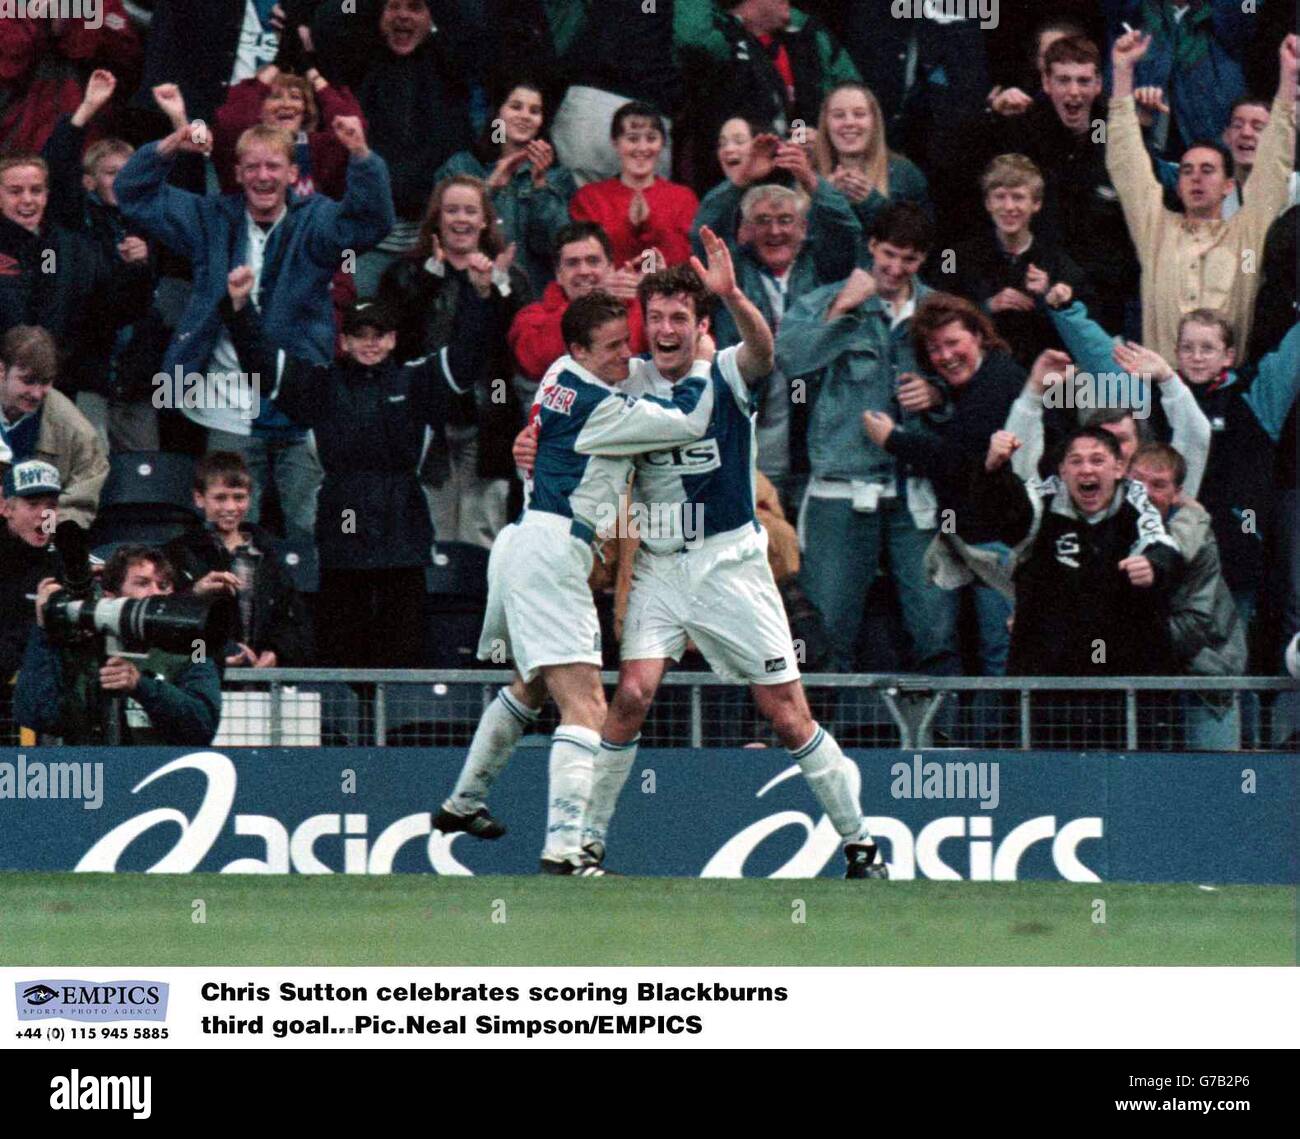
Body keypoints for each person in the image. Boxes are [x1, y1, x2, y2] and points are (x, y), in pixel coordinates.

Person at [582, 248, 890, 879]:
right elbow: (568, 395)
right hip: (660, 565)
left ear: (700, 326)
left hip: (731, 565)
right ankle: (583, 846)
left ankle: (860, 844)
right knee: (633, 693)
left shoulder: (725, 368)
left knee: (785, 713)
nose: (666, 329)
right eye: (656, 317)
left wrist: (733, 297)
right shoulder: (628, 381)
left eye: (679, 318)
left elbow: (766, 353)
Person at [436, 290, 717, 875]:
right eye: (613, 348)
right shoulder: (601, 408)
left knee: (532, 684)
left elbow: (586, 407)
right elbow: (689, 418)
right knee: (587, 704)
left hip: (524, 542)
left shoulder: (560, 373)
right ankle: (565, 850)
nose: (626, 356)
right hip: (554, 552)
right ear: (579, 350)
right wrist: (705, 361)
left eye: (628, 343)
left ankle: (463, 802)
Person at [115, 112, 395, 541]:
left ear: (292, 172)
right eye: (253, 167)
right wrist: (172, 143)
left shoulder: (315, 220)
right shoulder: (211, 218)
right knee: (230, 531)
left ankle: (305, 607)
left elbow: (373, 222)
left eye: (273, 166)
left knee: (310, 528)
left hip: (300, 401)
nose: (263, 176)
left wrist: (360, 154)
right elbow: (131, 193)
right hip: (227, 406)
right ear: (238, 173)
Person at [223, 270, 470, 669]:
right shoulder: (320, 385)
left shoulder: (419, 381)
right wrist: (239, 310)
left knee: (404, 646)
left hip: (403, 533)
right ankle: (343, 729)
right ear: (344, 341)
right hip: (344, 532)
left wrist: (483, 294)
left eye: (379, 334)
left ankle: (401, 732)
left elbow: (469, 354)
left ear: (392, 339)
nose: (370, 343)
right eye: (360, 334)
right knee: (342, 644)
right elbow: (262, 362)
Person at [775, 203, 958, 678]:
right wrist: (842, 309)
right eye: (889, 255)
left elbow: (979, 387)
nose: (896, 269)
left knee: (936, 629)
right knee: (826, 630)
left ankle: (938, 744)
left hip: (916, 490)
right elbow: (789, 358)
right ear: (872, 247)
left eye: (910, 260)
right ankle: (816, 748)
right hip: (840, 486)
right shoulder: (830, 298)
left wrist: (938, 396)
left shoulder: (939, 312)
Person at [862, 295, 1054, 689]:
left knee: (1002, 652)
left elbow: (962, 458)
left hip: (1005, 545)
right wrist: (937, 397)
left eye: (953, 343)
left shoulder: (1001, 379)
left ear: (980, 337)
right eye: (934, 348)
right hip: (972, 541)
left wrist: (893, 440)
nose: (946, 356)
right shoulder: (973, 383)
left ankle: (1006, 749)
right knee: (978, 646)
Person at [1107, 30, 1297, 364]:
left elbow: (1274, 164)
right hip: (1161, 390)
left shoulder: (1246, 233)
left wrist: (1289, 77)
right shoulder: (1156, 231)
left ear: (1228, 185)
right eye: (1186, 170)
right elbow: (1127, 167)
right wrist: (1122, 73)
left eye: (1208, 170)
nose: (1195, 177)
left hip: (1228, 394)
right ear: (1177, 185)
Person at [379, 174, 530, 548]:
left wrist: (496, 289)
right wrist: (428, 281)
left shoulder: (510, 276)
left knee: (484, 535)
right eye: (451, 210)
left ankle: (480, 607)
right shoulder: (404, 274)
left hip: (488, 422)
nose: (460, 219)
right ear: (437, 218)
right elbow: (394, 346)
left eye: (469, 211)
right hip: (429, 425)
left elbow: (519, 347)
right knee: (434, 536)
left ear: (484, 220)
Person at [965, 35, 1140, 337]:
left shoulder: (1116, 134)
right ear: (1046, 82)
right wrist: (990, 117)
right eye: (1063, 80)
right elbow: (957, 176)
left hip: (1100, 304)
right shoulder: (1020, 127)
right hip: (1030, 298)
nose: (1074, 91)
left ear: (1099, 84)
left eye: (1084, 81)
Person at [40, 68, 160, 454]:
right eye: (111, 174)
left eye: (129, 174)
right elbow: (57, 169)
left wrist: (143, 264)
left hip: (137, 378)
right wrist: (86, 110)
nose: (122, 182)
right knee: (91, 465)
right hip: (88, 374)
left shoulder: (149, 222)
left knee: (147, 474)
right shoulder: (74, 221)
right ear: (90, 181)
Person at [16, 545, 221, 746]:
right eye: (143, 583)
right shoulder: (81, 646)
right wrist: (44, 631)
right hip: (92, 772)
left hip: (161, 771)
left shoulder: (196, 645)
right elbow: (35, 715)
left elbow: (203, 724)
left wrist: (141, 685)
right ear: (111, 595)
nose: (156, 593)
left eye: (164, 585)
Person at [0, 149, 152, 405]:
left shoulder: (73, 248)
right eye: (15, 191)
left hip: (63, 389)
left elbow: (114, 313)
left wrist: (135, 269)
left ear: (47, 195)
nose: (27, 200)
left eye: (36, 190)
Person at [1128, 442, 1247, 750]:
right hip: (1142, 685)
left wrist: (1124, 644)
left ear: (1176, 493)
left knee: (1213, 787)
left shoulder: (1197, 537)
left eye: (1158, 485)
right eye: (1136, 481)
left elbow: (1194, 624)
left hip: (1207, 676)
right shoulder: (1111, 530)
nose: (1145, 492)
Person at [350, 0, 472, 294]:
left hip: (427, 239)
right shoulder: (358, 58)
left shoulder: (450, 68)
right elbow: (339, 13)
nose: (403, 16)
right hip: (365, 239)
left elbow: (470, 23)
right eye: (394, 7)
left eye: (415, 7)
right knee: (360, 323)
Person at [166, 451, 314, 671]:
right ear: (199, 498)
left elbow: (292, 619)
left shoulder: (268, 555)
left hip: (257, 682)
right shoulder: (178, 552)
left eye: (239, 497)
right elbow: (164, 617)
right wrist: (194, 593)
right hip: (201, 676)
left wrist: (275, 651)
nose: (230, 508)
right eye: (220, 498)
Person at [943, 153, 1088, 366]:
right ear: (988, 203)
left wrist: (1049, 298)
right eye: (1000, 197)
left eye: (1018, 197)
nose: (1009, 207)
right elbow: (939, 313)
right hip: (979, 375)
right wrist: (986, 307)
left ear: (1036, 204)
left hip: (1044, 380)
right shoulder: (957, 258)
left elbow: (1085, 331)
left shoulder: (1059, 263)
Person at [436, 79, 577, 294]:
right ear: (498, 114)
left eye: (535, 111)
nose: (525, 116)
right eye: (515, 106)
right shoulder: (462, 166)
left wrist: (540, 186)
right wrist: (490, 188)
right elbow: (438, 228)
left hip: (529, 297)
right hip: (467, 291)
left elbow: (560, 246)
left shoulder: (557, 177)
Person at [508, 222, 648, 392]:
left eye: (593, 261)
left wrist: (656, 292)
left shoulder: (642, 310)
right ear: (558, 274)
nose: (583, 270)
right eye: (572, 263)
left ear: (611, 267)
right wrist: (594, 304)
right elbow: (536, 364)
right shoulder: (531, 318)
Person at [0, 325, 107, 529]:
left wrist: (40, 529)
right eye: (28, 381)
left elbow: (78, 507)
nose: (37, 393)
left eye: (46, 382)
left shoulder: (76, 431)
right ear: (2, 370)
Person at [569, 101, 698, 268]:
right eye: (632, 139)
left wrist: (650, 228)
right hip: (604, 292)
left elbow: (688, 260)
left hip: (663, 290)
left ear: (662, 144)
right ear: (615, 143)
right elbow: (580, 258)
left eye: (651, 138)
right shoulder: (590, 198)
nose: (642, 147)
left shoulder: (683, 199)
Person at [211, 62, 366, 200]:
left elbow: (351, 126)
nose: (286, 104)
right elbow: (228, 120)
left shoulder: (319, 147)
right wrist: (277, 64)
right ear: (257, 105)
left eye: (295, 97)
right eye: (275, 97)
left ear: (306, 109)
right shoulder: (240, 144)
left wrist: (313, 74)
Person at [811, 82, 929, 242]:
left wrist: (872, 202)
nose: (849, 122)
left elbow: (920, 242)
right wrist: (827, 198)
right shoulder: (810, 172)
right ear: (825, 123)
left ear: (874, 121)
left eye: (859, 114)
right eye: (838, 115)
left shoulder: (905, 174)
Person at [0, 459, 61, 686]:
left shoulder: (63, 562)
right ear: (6, 509)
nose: (44, 515)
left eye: (51, 506)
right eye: (33, 504)